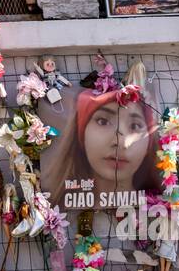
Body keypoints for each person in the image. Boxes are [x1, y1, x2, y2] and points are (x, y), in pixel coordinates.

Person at [37, 64, 161, 207]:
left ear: (149, 143)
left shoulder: (159, 205)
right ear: (81, 134)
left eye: (135, 126)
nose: (120, 142)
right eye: (103, 121)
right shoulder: (52, 205)